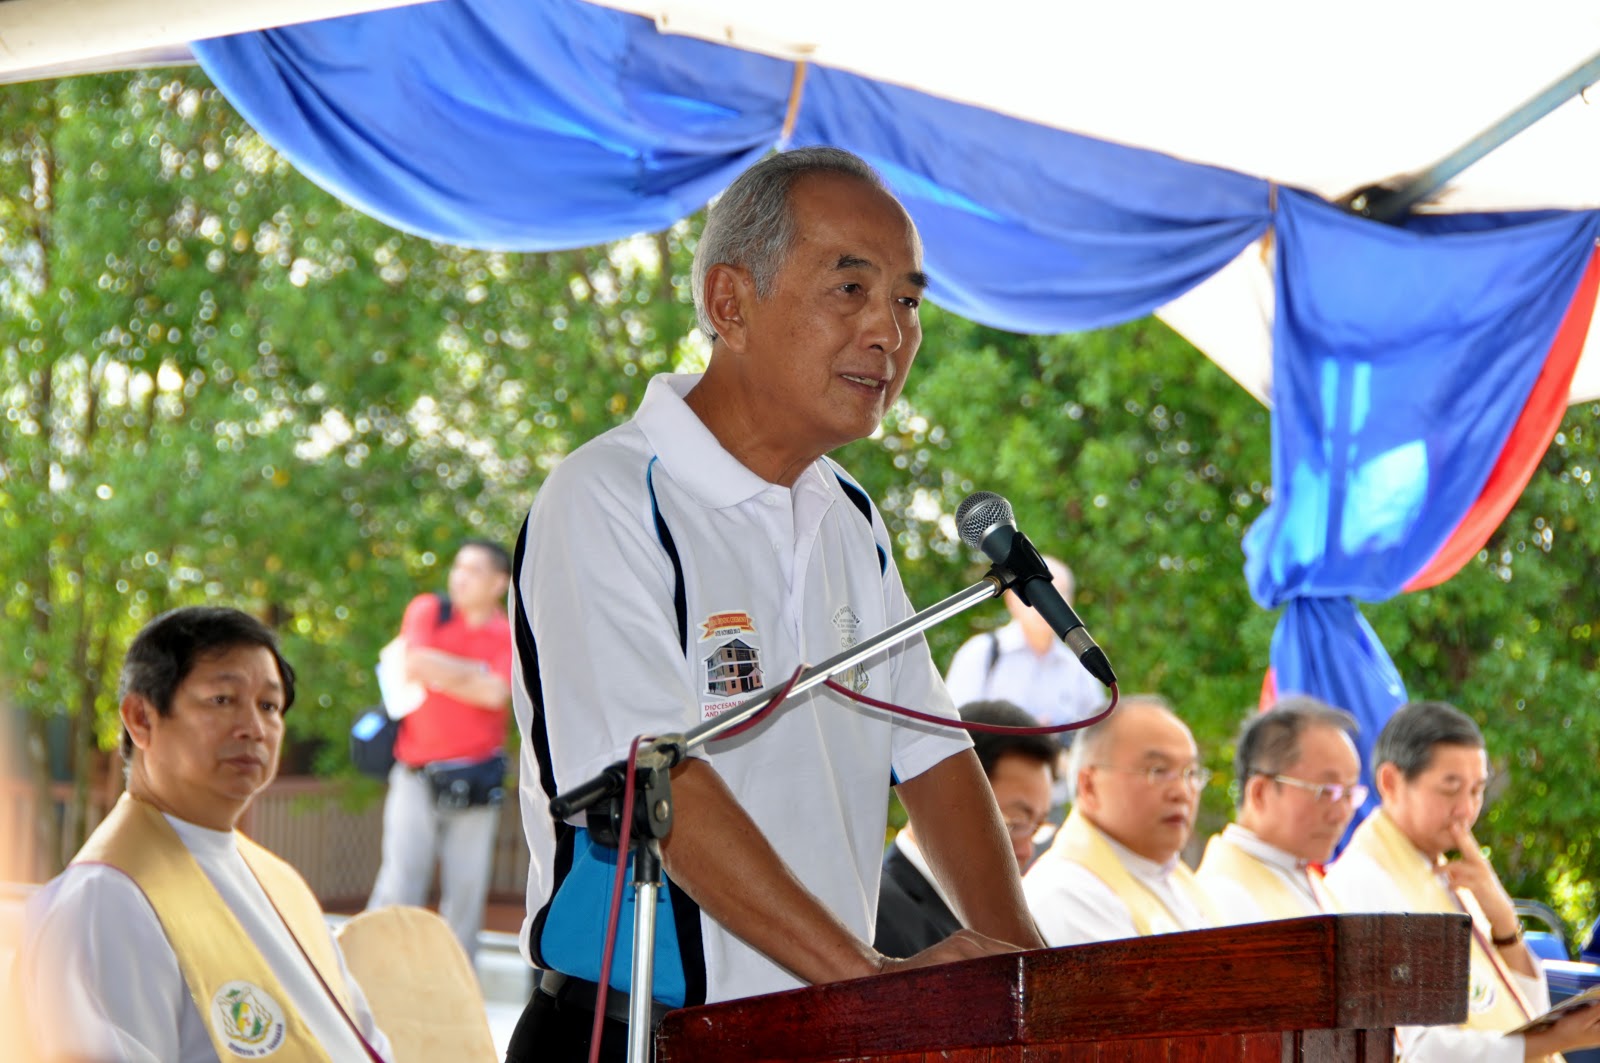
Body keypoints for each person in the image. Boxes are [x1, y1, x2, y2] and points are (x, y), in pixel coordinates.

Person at [507, 146, 1044, 1063]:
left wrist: (1036, 977)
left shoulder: (850, 517)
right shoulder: (605, 497)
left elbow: (933, 751)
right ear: (730, 303)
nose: (890, 333)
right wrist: (867, 979)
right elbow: (655, 784)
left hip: (818, 1024)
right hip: (641, 1029)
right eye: (850, 290)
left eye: (908, 301)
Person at [9, 606, 393, 1062]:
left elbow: (360, 1038)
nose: (254, 728)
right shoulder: (103, 900)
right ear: (141, 719)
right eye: (222, 700)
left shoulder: (279, 881)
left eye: (269, 706)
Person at [1325, 699, 1600, 1062]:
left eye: (1476, 790)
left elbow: (1525, 1015)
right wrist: (1551, 1042)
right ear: (1391, 782)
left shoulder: (1446, 871)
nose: (1466, 809)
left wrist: (1502, 918)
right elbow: (1418, 1051)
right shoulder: (1361, 882)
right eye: (1450, 789)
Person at [367, 539, 513, 964]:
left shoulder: (506, 633)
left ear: (499, 583)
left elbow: (496, 694)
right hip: (416, 772)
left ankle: (458, 995)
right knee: (399, 884)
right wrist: (473, 673)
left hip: (476, 778)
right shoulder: (429, 609)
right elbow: (413, 664)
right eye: (458, 567)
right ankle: (370, 978)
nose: (459, 577)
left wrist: (443, 671)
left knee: (466, 893)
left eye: (474, 570)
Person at [1022, 695, 1216, 945]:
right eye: (1157, 770)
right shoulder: (1068, 891)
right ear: (1090, 786)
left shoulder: (1177, 880)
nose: (1182, 791)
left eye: (1190, 773)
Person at [874, 699, 1058, 958]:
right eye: (1014, 824)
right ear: (950, 793)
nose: (1027, 849)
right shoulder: (876, 915)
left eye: (1037, 827)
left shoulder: (1016, 913)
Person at [1197, 696, 1363, 923]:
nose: (1342, 814)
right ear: (1259, 793)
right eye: (1326, 791)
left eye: (1349, 794)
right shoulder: (1223, 896)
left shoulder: (1306, 876)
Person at [944, 556, 1105, 736]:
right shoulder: (980, 653)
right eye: (1036, 594)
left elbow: (1097, 737)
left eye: (1058, 595)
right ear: (1012, 600)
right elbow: (955, 731)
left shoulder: (1079, 667)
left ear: (1071, 603)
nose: (1047, 605)